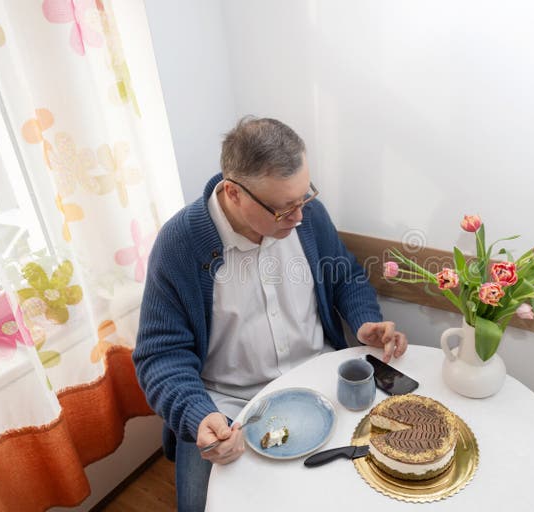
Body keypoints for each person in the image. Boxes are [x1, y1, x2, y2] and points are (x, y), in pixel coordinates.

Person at [133, 116, 408, 512]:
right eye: (283, 209)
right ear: (234, 193)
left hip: (321, 379)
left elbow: (344, 274)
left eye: (304, 197)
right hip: (226, 406)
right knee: (199, 506)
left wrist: (363, 320)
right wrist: (198, 415)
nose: (298, 218)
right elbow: (160, 357)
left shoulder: (306, 217)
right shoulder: (180, 245)